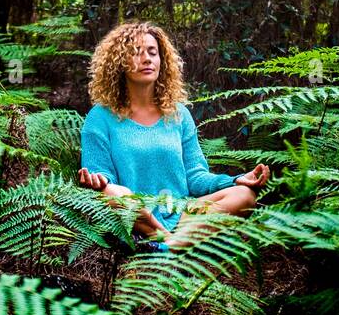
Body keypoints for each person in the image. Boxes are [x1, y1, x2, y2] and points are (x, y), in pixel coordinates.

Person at [77, 21, 271, 251]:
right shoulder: (100, 117)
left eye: (152, 52)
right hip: (135, 219)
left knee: (244, 195)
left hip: (182, 215)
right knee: (113, 194)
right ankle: (166, 241)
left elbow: (195, 176)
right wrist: (98, 180)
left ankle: (167, 245)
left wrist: (234, 180)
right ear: (119, 62)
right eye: (136, 53)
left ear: (162, 61)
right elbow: (101, 178)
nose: (147, 59)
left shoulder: (178, 114)